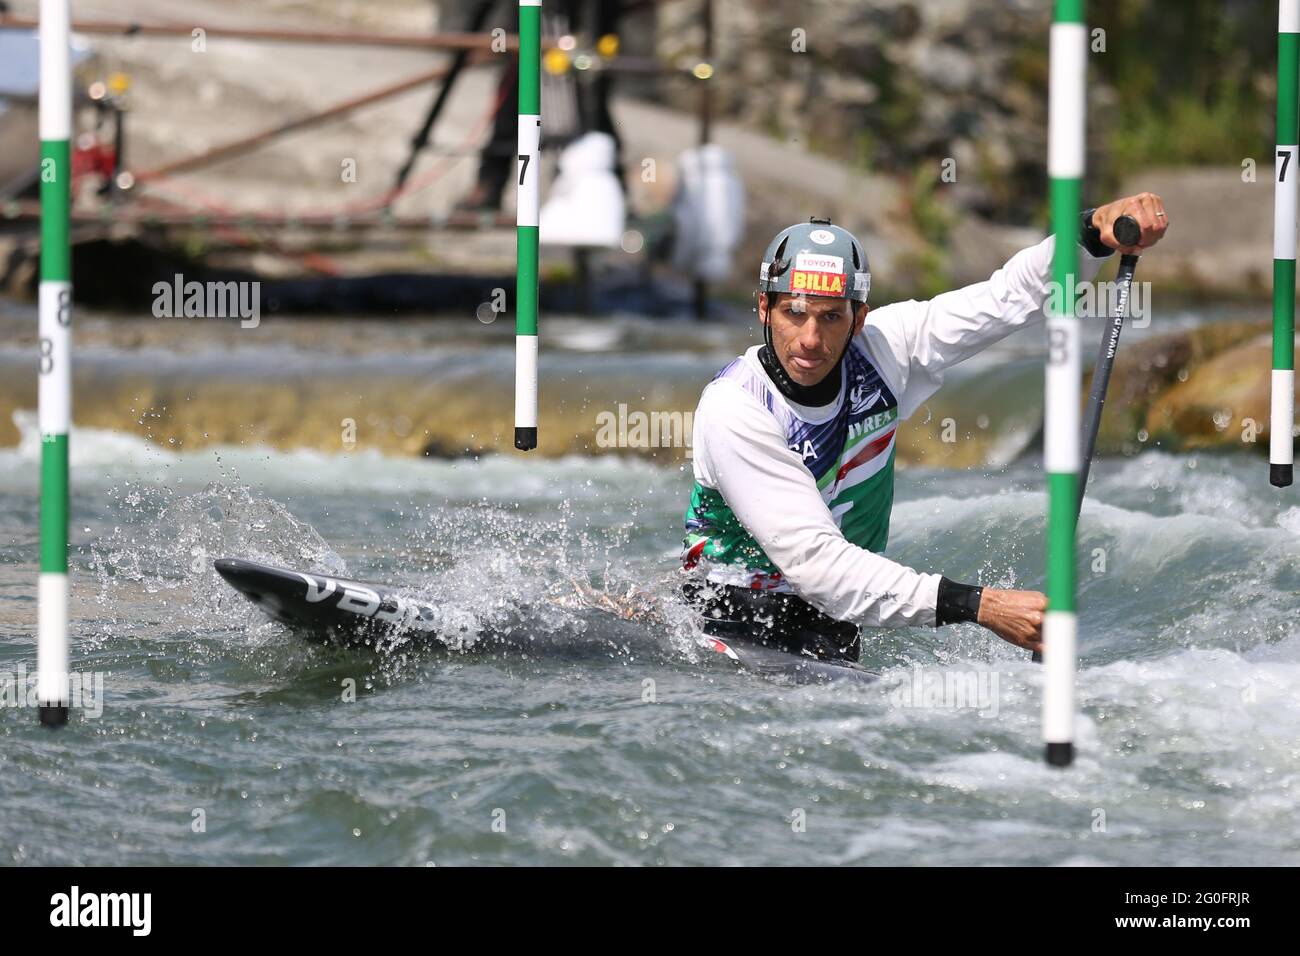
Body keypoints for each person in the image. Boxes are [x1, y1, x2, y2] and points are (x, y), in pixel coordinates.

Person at [681, 196, 1170, 661]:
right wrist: (979, 605)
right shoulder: (736, 409)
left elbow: (1008, 297)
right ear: (764, 308)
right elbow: (817, 566)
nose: (811, 339)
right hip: (731, 625)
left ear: (858, 319)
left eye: (831, 318)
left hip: (831, 628)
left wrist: (1091, 234)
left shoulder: (886, 349)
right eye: (794, 313)